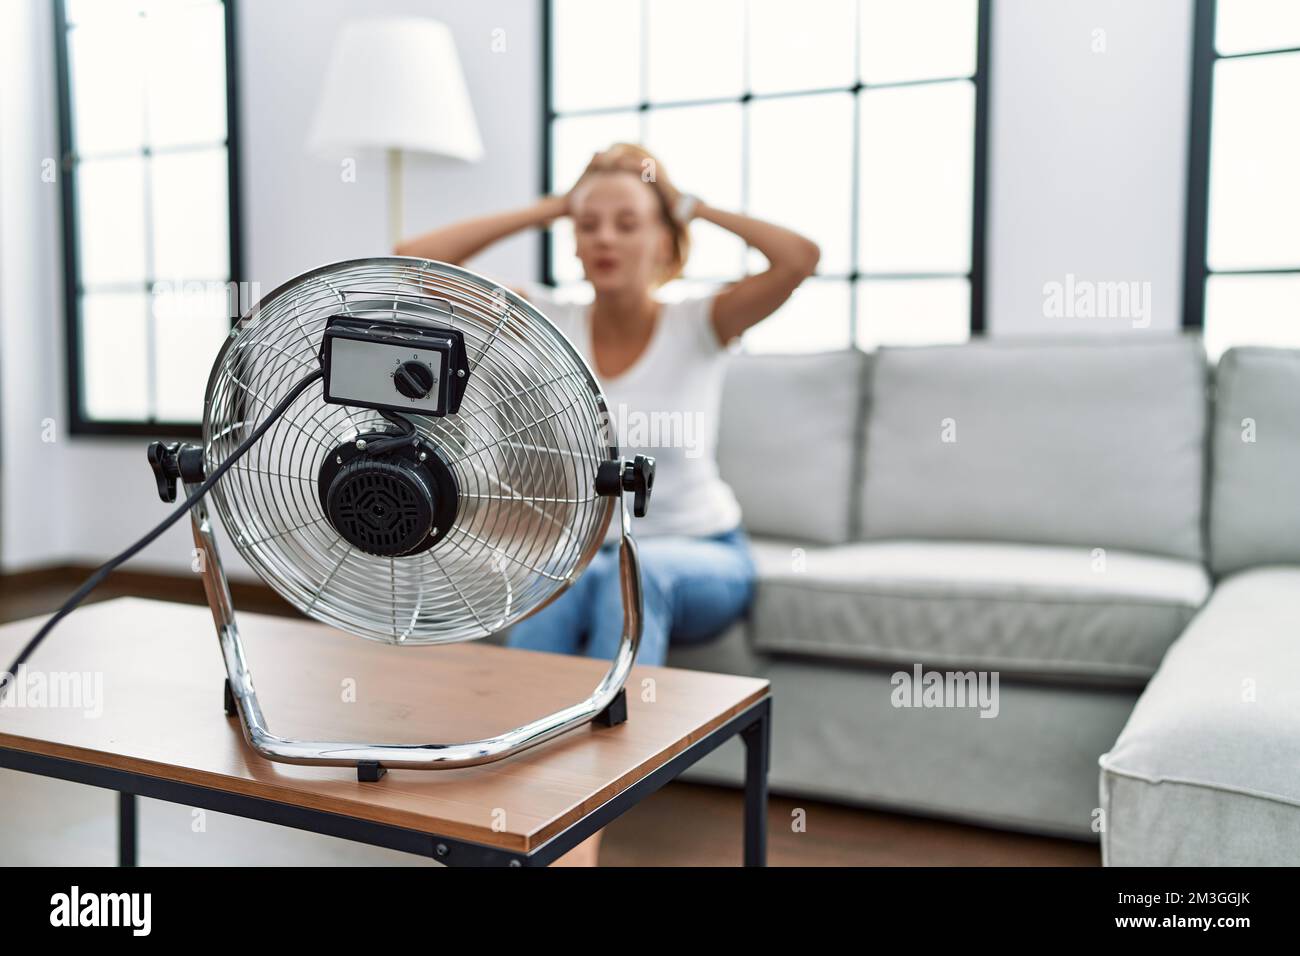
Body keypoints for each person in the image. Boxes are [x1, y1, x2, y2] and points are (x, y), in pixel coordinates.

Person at [395, 143, 819, 864]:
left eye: (629, 223)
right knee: (578, 573)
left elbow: (799, 257)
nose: (605, 238)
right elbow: (416, 262)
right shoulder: (551, 321)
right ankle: (500, 799)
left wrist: (696, 206)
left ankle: (577, 835)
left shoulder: (703, 324)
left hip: (705, 557)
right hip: (591, 558)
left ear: (664, 239)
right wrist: (555, 204)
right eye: (589, 225)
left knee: (628, 569)